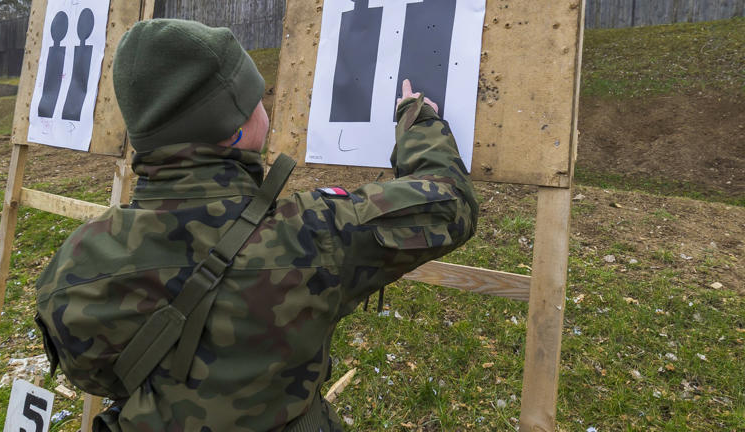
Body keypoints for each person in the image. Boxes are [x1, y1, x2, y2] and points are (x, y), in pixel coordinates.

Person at [35, 19, 478, 431]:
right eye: (256, 98)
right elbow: (448, 203)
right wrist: (419, 123)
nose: (266, 104)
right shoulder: (309, 235)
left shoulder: (75, 263)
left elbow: (94, 376)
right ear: (231, 131)